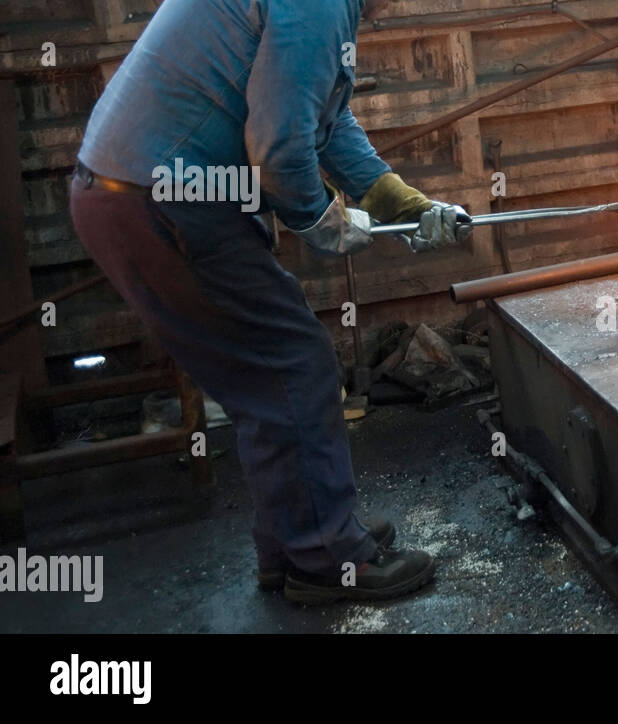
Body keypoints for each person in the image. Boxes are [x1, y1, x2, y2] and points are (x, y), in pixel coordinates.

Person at [68, 0, 458, 604]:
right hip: (166, 201)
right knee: (292, 364)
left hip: (128, 194)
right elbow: (279, 148)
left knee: (264, 378)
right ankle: (327, 558)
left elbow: (318, 114)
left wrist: (396, 201)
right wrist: (321, 220)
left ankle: (294, 538)